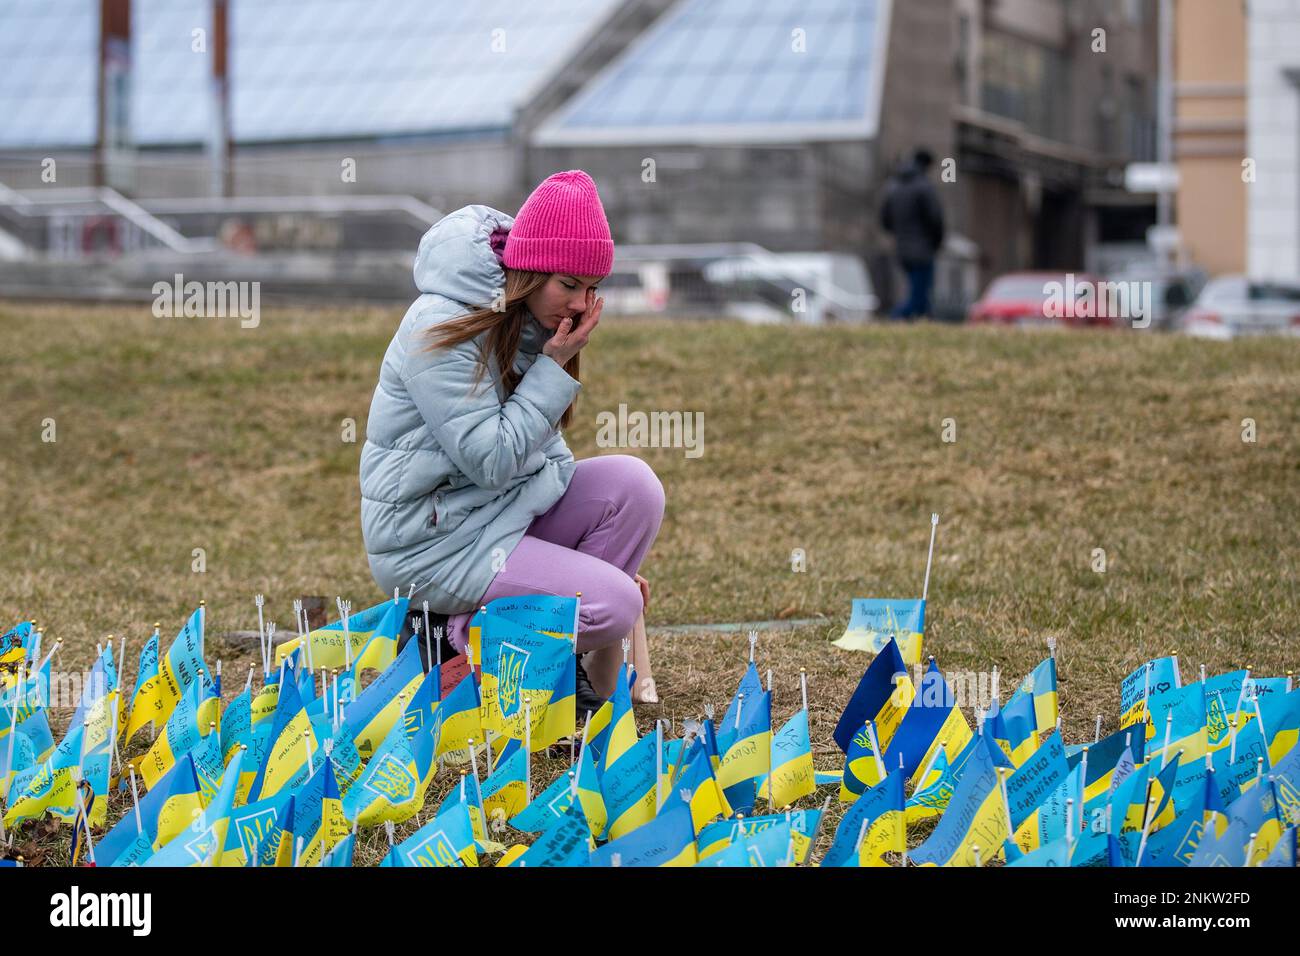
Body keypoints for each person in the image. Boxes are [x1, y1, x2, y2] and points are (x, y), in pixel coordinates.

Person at [359, 170, 664, 715]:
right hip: (434, 543)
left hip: (495, 519)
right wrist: (552, 369)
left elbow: (541, 453)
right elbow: (494, 460)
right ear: (527, 271)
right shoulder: (442, 329)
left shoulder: (526, 317)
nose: (579, 303)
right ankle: (447, 635)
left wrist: (585, 561)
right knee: (612, 605)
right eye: (568, 284)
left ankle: (550, 664)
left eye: (591, 289)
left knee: (635, 487)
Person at [880, 148, 946, 321]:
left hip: (902, 250)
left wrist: (901, 234)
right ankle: (893, 319)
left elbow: (885, 220)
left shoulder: (894, 186)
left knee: (920, 294)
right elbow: (935, 219)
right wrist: (937, 242)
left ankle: (927, 325)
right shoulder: (924, 187)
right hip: (923, 250)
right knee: (918, 298)